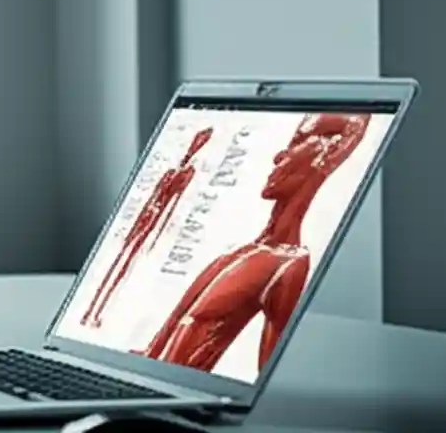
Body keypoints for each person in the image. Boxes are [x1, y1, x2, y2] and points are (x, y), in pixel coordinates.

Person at [136, 113, 369, 374]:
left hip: (176, 404)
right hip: (141, 389)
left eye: (297, 142)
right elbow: (153, 350)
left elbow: (268, 374)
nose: (279, 156)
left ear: (327, 153)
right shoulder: (240, 251)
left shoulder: (288, 265)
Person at [81, 127, 214, 328]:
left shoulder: (187, 173)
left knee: (123, 269)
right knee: (115, 265)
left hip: (150, 226)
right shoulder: (172, 172)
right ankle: (90, 311)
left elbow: (172, 205)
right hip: (142, 222)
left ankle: (97, 313)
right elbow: (154, 196)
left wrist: (156, 234)